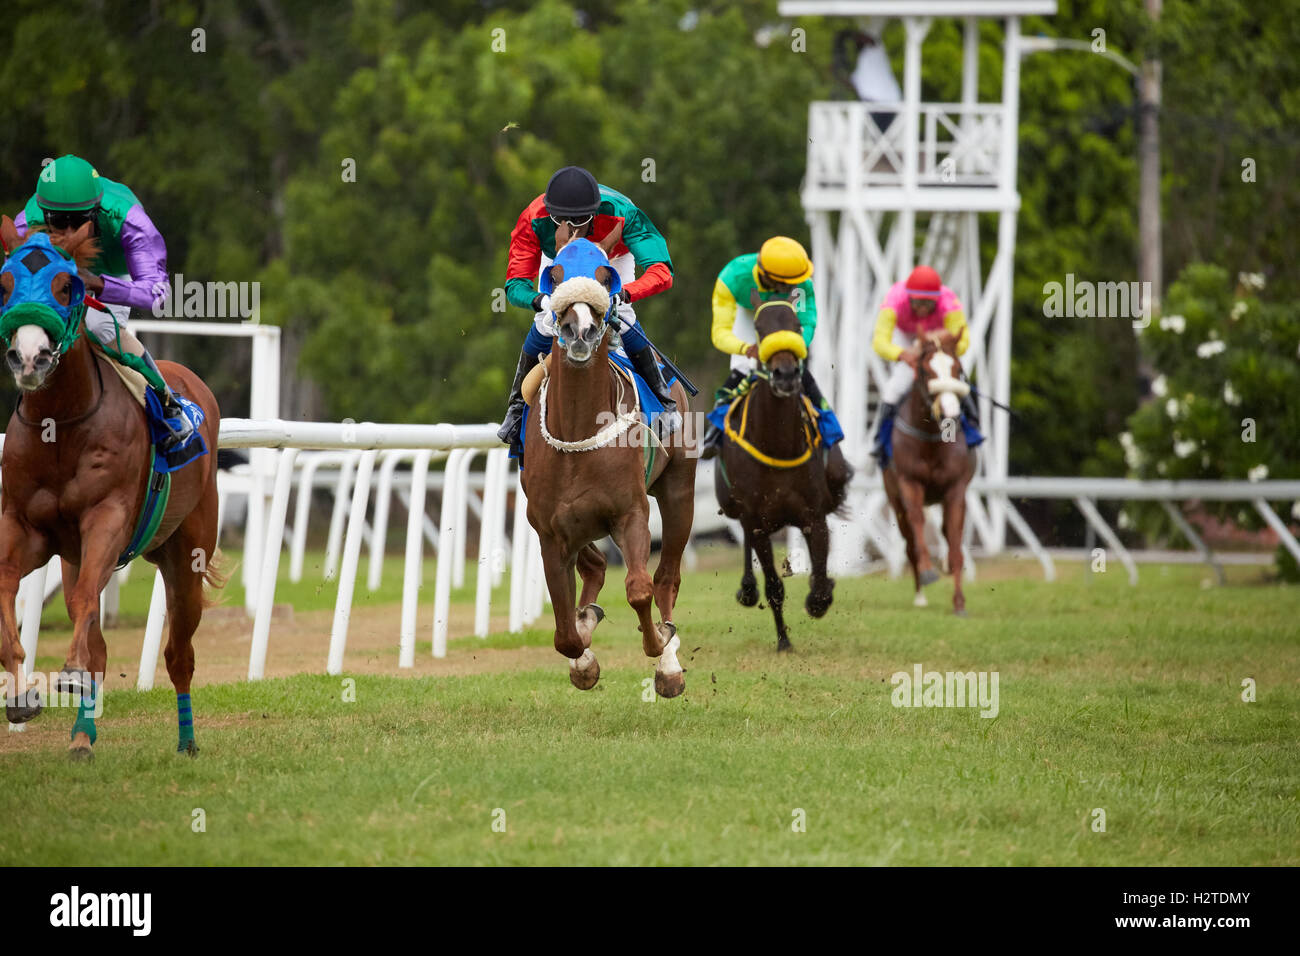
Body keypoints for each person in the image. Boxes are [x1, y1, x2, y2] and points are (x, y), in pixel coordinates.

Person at [13, 154, 194, 453]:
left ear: (96, 212)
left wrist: (100, 284)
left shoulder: (130, 221)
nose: (70, 234)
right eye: (58, 222)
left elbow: (157, 295)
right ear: (43, 214)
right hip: (55, 270)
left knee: (98, 326)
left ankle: (168, 405)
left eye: (80, 221)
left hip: (110, 270)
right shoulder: (28, 220)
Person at [498, 166, 676, 451]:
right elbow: (515, 284)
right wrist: (542, 300)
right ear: (549, 213)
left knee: (624, 317)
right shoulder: (533, 217)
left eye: (580, 220)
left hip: (610, 257)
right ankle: (516, 408)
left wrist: (623, 295)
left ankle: (664, 401)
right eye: (561, 220)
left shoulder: (624, 213)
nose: (572, 228)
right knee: (545, 319)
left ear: (594, 212)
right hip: (558, 257)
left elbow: (662, 271)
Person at [702, 236, 843, 458]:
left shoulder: (800, 280)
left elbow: (807, 322)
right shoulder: (733, 277)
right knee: (744, 367)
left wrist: (796, 346)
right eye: (789, 284)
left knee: (795, 367)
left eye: (797, 282)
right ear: (770, 278)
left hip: (785, 317)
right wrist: (746, 348)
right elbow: (720, 334)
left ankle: (829, 425)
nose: (796, 286)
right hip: (749, 315)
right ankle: (714, 431)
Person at [870, 264, 982, 466]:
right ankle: (881, 440)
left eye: (928, 304)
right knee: (895, 388)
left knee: (950, 388)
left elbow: (963, 342)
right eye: (918, 303)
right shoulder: (894, 299)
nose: (922, 309)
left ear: (937, 300)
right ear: (908, 297)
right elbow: (879, 343)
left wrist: (937, 346)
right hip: (906, 338)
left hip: (939, 340)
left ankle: (966, 432)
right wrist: (904, 355)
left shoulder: (949, 303)